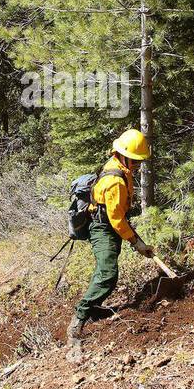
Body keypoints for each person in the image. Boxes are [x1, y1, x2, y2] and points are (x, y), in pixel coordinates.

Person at [65, 128, 156, 359]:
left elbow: (118, 214)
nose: (136, 165)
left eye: (138, 161)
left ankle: (94, 310)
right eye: (134, 160)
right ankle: (79, 318)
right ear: (123, 155)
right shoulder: (116, 178)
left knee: (105, 270)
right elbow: (116, 219)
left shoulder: (119, 167)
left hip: (109, 223)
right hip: (103, 227)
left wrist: (137, 240)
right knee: (108, 273)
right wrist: (136, 242)